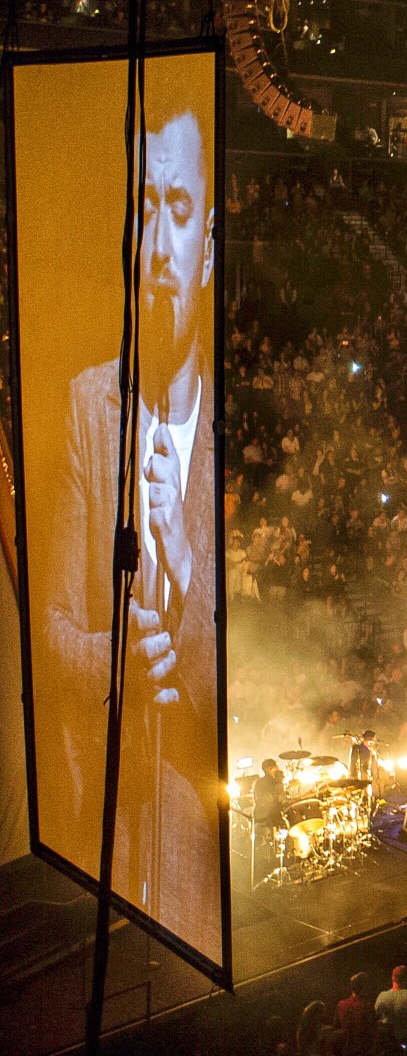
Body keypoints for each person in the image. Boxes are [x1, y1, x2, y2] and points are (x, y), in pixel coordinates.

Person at [41, 107, 220, 963]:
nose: (157, 243)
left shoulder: (233, 434)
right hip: (98, 835)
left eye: (178, 209)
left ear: (209, 246)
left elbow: (231, 693)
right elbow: (50, 628)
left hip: (199, 849)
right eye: (144, 207)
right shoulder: (87, 405)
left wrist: (184, 575)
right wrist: (112, 661)